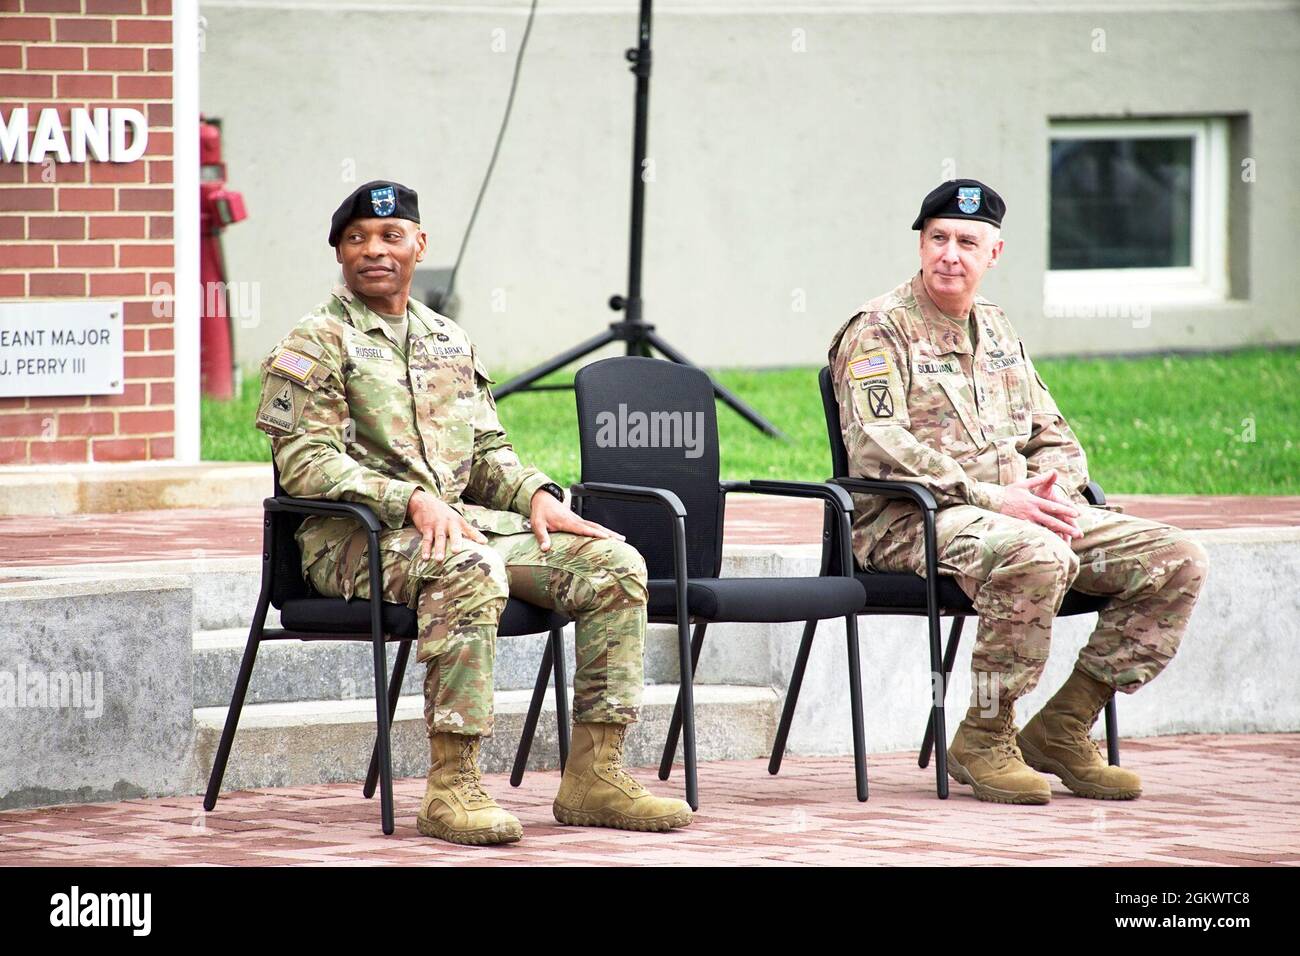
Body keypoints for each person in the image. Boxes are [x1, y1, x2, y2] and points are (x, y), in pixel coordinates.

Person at [254, 180, 692, 843]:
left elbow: (487, 453)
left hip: (458, 527)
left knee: (612, 565)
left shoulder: (447, 340)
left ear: (419, 245)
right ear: (339, 253)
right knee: (468, 569)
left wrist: (539, 497)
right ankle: (451, 788)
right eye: (356, 239)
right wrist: (409, 498)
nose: (374, 250)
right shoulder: (316, 342)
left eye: (390, 236)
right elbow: (306, 464)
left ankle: (595, 777)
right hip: (353, 541)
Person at [828, 179, 1210, 804]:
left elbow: (1052, 433)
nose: (951, 254)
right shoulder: (879, 330)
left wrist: (1054, 489)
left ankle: (1063, 727)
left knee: (1175, 559)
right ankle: (984, 734)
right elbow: (877, 446)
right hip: (910, 521)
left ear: (994, 253)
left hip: (1018, 512)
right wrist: (991, 495)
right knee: (1037, 555)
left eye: (967, 242)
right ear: (921, 245)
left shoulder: (999, 330)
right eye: (939, 239)